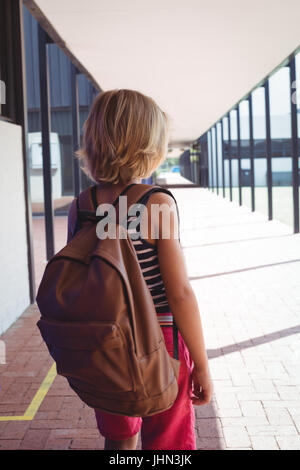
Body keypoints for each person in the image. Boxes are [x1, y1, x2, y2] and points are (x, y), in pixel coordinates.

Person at [72, 89, 213, 450]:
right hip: (158, 340)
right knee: (167, 442)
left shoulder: (82, 205)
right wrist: (201, 363)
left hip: (105, 341)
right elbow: (179, 293)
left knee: (120, 439)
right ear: (148, 146)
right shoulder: (156, 203)